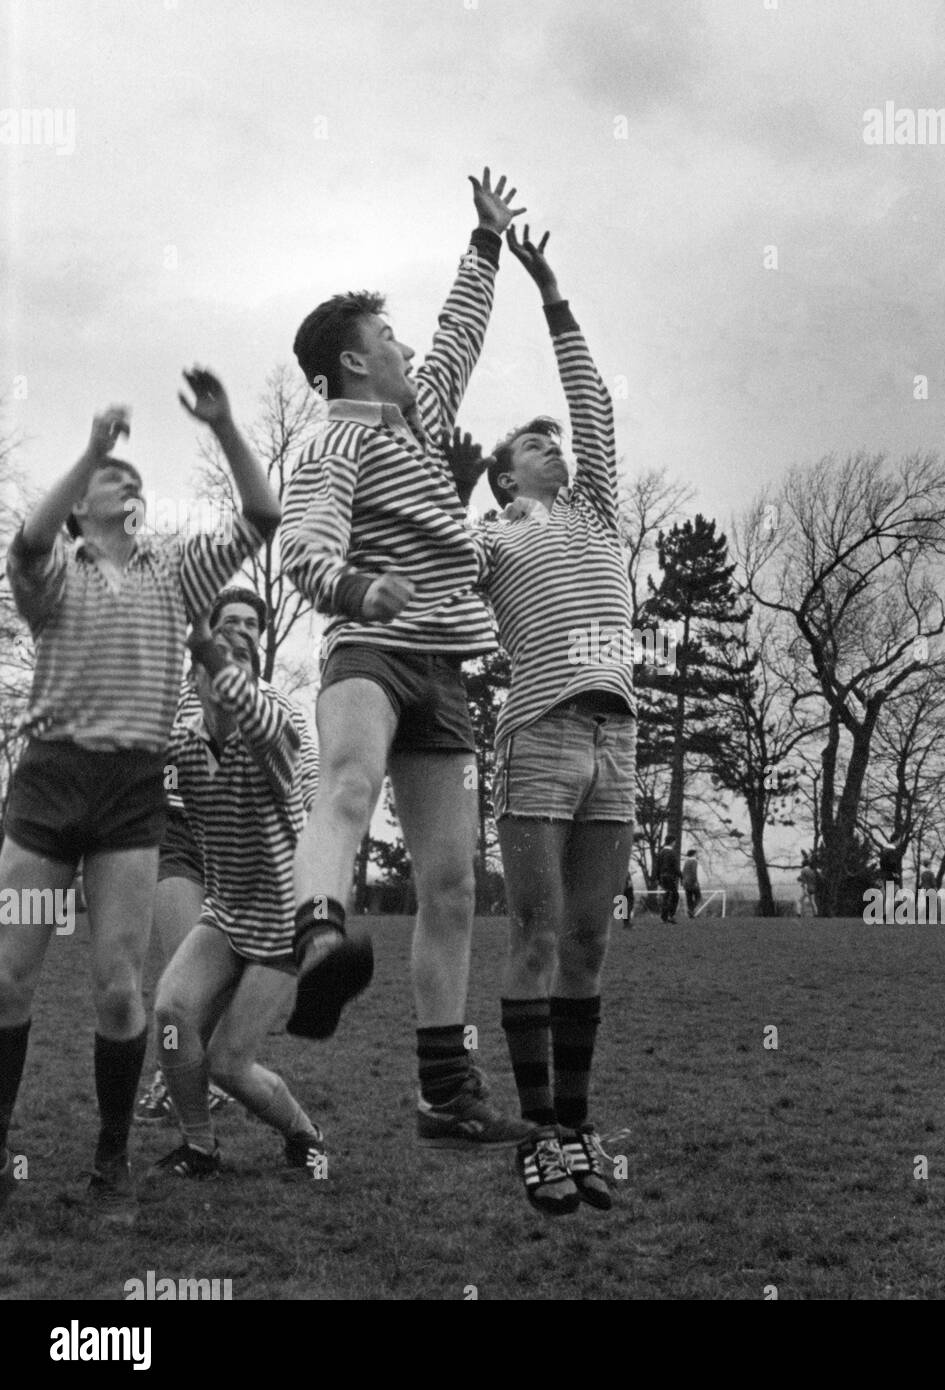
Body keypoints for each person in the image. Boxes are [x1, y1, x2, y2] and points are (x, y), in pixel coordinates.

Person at [280, 168, 530, 1149]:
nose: (404, 343)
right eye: (386, 336)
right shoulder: (334, 445)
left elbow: (460, 332)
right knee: (345, 781)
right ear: (352, 359)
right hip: (370, 653)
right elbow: (303, 548)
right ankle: (320, 936)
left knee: (454, 881)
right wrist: (354, 588)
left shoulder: (421, 418)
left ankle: (442, 1090)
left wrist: (485, 242)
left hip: (445, 668)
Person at [0, 374, 279, 1222]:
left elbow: (261, 517)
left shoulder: (179, 575)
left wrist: (228, 425)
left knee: (120, 990)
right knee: (9, 976)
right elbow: (23, 543)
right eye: (109, 478)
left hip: (128, 793)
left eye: (134, 478)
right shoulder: (55, 568)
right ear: (81, 506)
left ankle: (110, 1156)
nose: (128, 481)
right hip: (49, 782)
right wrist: (91, 447)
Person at [478, 225, 635, 1215]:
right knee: (535, 932)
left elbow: (595, 402)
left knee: (588, 941)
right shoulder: (490, 536)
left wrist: (549, 287)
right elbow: (434, 582)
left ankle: (575, 1131)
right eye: (534, 443)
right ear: (505, 477)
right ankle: (536, 1141)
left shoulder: (600, 514)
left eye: (554, 439)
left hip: (613, 738)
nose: (555, 444)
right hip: (536, 737)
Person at [152, 616, 324, 1179]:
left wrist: (205, 639)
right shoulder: (181, 743)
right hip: (225, 914)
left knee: (228, 1063)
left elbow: (256, 714)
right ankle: (200, 1148)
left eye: (241, 660)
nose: (226, 673)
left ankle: (304, 1134)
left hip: (281, 920)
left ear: (253, 676)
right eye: (212, 664)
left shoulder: (273, 731)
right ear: (194, 680)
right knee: (172, 1013)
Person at [135, 586, 283, 1123]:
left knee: (224, 1035)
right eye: (231, 624)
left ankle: (294, 1130)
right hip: (186, 847)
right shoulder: (181, 711)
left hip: (256, 882)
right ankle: (183, 1107)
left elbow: (304, 772)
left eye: (251, 626)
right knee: (180, 985)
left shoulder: (271, 715)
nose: (242, 631)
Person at [655, 837, 681, 923]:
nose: (675, 844)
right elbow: (675, 867)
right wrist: (681, 876)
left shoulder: (661, 852)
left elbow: (657, 867)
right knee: (675, 896)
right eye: (674, 842)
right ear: (672, 842)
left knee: (666, 896)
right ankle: (671, 915)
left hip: (662, 877)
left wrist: (658, 878)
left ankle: (664, 917)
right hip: (669, 877)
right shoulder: (672, 853)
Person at [682, 849, 702, 919]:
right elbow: (694, 872)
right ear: (694, 854)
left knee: (689, 899)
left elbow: (683, 872)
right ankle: (690, 910)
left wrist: (683, 881)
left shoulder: (686, 862)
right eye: (696, 853)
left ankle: (691, 915)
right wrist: (696, 882)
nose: (697, 855)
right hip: (692, 882)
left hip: (686, 883)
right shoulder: (694, 861)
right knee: (698, 897)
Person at [797, 854, 817, 918]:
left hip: (806, 888)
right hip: (813, 888)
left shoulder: (803, 870)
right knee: (813, 902)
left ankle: (799, 914)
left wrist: (799, 879)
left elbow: (803, 879)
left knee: (799, 901)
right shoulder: (812, 870)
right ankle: (816, 914)